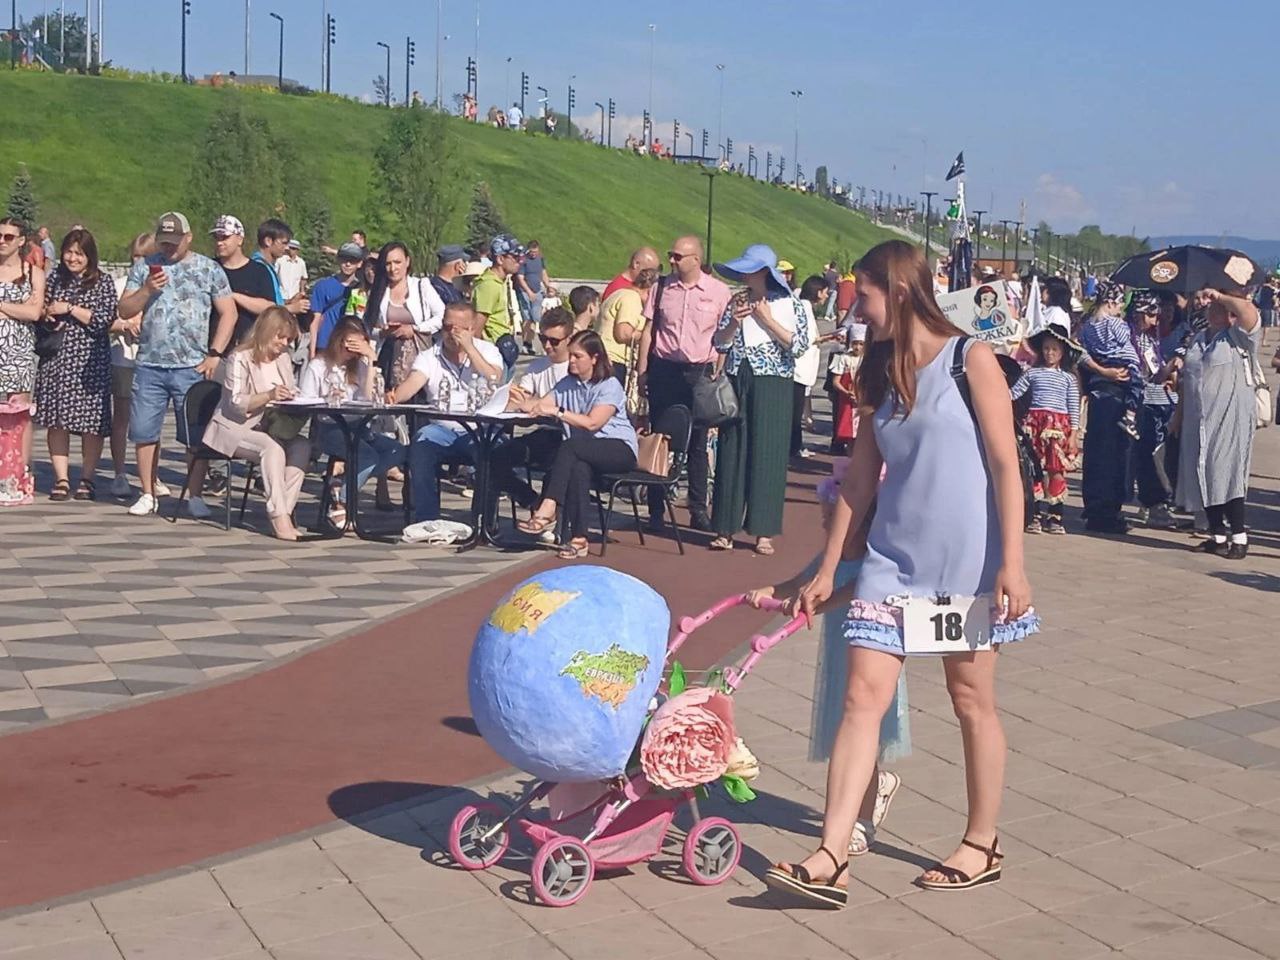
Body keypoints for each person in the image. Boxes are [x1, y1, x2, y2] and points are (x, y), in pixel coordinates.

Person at [765, 240, 1036, 908]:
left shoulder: (970, 360)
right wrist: (830, 567)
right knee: (862, 699)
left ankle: (981, 841)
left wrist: (1013, 564)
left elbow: (1006, 465)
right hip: (891, 562)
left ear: (902, 290)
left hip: (966, 565)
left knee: (970, 699)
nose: (856, 308)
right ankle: (832, 853)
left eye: (866, 294)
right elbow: (860, 480)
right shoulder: (878, 374)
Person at [748, 462, 909, 858]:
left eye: (830, 518)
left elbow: (854, 591)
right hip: (840, 652)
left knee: (863, 731)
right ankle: (868, 796)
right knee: (846, 725)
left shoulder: (875, 560)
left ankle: (863, 819)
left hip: (873, 651)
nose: (826, 526)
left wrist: (818, 605)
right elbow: (801, 581)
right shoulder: (829, 561)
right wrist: (766, 590)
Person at [117, 212, 236, 518]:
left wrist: (215, 353)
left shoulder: (208, 269)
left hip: (191, 364)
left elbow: (228, 313)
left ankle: (194, 494)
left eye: (175, 242)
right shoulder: (145, 267)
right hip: (150, 363)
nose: (169, 248)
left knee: (194, 433)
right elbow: (125, 307)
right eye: (164, 242)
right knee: (144, 430)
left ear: (189, 237)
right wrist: (146, 290)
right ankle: (147, 492)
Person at [707, 245, 809, 555]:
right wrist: (735, 323)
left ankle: (763, 531)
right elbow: (719, 343)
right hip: (739, 378)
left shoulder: (792, 305)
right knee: (732, 447)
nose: (744, 274)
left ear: (765, 271)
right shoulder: (737, 301)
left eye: (749, 269)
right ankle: (724, 527)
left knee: (769, 452)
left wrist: (766, 320)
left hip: (774, 381)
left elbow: (799, 346)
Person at [511, 331, 638, 559]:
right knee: (579, 467)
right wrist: (517, 401)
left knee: (570, 446)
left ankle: (548, 507)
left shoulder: (609, 385)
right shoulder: (567, 384)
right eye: (570, 355)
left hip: (618, 448)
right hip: (584, 452)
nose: (571, 361)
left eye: (577, 356)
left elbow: (592, 423)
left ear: (594, 358)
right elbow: (540, 405)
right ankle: (579, 539)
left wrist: (559, 412)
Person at [636, 235, 733, 531]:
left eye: (678, 256)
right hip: (665, 368)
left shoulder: (718, 291)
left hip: (699, 370)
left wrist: (719, 365)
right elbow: (649, 330)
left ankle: (697, 507)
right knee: (660, 438)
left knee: (698, 442)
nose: (673, 261)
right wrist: (643, 372)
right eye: (672, 255)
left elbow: (725, 334)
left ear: (696, 259)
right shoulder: (662, 287)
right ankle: (655, 507)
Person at [201, 307, 310, 541]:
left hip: (272, 425)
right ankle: (278, 516)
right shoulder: (239, 357)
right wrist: (269, 395)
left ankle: (285, 511)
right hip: (235, 427)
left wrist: (293, 396)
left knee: (302, 447)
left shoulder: (283, 359)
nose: (283, 343)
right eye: (279, 337)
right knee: (272, 449)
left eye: (288, 339)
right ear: (265, 332)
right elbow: (235, 403)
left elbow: (289, 389)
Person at [390, 302, 503, 528]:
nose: (452, 333)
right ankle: (427, 520)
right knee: (420, 445)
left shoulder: (488, 350)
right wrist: (393, 395)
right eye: (447, 326)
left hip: (479, 428)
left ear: (472, 329)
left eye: (459, 328)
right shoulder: (430, 356)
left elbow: (494, 379)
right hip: (441, 428)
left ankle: (483, 521)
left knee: (493, 452)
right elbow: (411, 386)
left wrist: (470, 349)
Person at [1173, 288, 1263, 559]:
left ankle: (1239, 536)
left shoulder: (1238, 338)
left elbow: (1250, 313)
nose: (1210, 308)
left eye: (1217, 306)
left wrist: (1221, 296)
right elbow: (1187, 381)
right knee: (1202, 472)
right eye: (1208, 305)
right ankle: (1217, 535)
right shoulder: (1200, 338)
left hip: (1229, 416)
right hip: (1197, 418)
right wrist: (1177, 416)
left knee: (1226, 472)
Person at [297, 318, 406, 529]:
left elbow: (369, 399)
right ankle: (342, 501)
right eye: (348, 343)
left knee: (397, 451)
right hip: (331, 427)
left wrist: (371, 360)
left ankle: (342, 485)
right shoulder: (318, 366)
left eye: (358, 345)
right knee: (367, 457)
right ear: (338, 340)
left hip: (360, 426)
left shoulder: (361, 366)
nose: (351, 350)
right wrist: (327, 399)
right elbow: (305, 400)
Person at [34, 228, 117, 501]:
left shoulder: (102, 282)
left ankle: (87, 478)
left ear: (89, 256)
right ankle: (61, 478)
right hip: (57, 359)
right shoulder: (55, 277)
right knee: (57, 420)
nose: (72, 258)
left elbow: (105, 319)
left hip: (89, 361)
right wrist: (48, 314)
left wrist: (69, 308)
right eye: (69, 252)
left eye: (79, 254)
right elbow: (43, 309)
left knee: (91, 422)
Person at [487, 308, 574, 526]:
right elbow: (519, 399)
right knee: (493, 458)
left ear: (569, 339)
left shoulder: (575, 366)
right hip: (543, 433)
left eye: (554, 341)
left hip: (570, 438)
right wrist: (518, 400)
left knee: (559, 462)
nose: (547, 346)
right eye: (543, 338)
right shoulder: (537, 366)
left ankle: (548, 517)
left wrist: (534, 403)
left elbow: (562, 405)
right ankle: (532, 502)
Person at [1077, 280, 1141, 533]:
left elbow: (1079, 352)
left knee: (1098, 451)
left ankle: (1098, 508)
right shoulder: (1116, 324)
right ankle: (1106, 510)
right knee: (1113, 453)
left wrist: (1097, 368)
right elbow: (1126, 341)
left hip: (1098, 389)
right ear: (1112, 303)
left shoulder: (1087, 326)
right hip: (1116, 390)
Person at [1010, 321, 1080, 535]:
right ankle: (1034, 515)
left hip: (1058, 428)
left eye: (1055, 349)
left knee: (1056, 470)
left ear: (1063, 353)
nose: (1050, 353)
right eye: (1047, 348)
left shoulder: (1068, 379)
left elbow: (1074, 407)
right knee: (1035, 469)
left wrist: (1074, 434)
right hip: (1034, 425)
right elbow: (1013, 393)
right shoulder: (1032, 373)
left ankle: (1056, 515)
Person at [0, 217, 46, 501]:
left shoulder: (32, 273)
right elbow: (25, 309)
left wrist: (3, 307)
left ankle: (18, 471)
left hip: (18, 352)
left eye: (8, 237)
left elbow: (33, 312)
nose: (2, 241)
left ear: (20, 241)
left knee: (20, 415)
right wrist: (17, 308)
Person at [1128, 291, 1179, 530]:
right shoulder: (1128, 337)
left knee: (1153, 452)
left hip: (1154, 402)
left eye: (1157, 315)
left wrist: (1170, 369)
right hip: (1135, 402)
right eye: (1150, 315)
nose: (1155, 320)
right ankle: (1150, 500)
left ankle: (1153, 501)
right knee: (1142, 455)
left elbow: (1156, 374)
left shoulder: (1150, 339)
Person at [364, 241, 445, 391]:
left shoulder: (422, 286)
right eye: (388, 264)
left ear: (407, 262)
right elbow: (366, 327)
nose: (393, 268)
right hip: (388, 357)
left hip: (418, 356)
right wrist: (383, 332)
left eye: (397, 262)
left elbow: (442, 316)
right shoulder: (378, 291)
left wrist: (415, 328)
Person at [108, 233, 153, 499]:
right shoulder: (119, 284)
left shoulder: (160, 284)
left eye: (144, 258)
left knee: (149, 419)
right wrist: (125, 325)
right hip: (123, 356)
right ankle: (119, 472)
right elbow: (106, 320)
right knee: (122, 417)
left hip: (149, 358)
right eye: (135, 258)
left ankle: (151, 476)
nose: (138, 263)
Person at [1079, 280, 1143, 440]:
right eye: (1118, 303)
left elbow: (1084, 346)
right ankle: (1130, 417)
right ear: (1109, 303)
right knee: (1136, 386)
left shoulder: (1088, 325)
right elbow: (1123, 338)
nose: (1120, 307)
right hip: (1122, 361)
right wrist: (1124, 324)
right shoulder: (1113, 322)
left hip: (1101, 361)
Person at [209, 215, 280, 347]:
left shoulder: (259, 271)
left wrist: (233, 296)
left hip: (248, 347)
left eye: (225, 237)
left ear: (239, 239)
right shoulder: (208, 268)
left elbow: (269, 307)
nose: (219, 243)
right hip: (212, 349)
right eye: (216, 238)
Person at [472, 234, 525, 364]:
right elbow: (477, 326)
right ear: (500, 259)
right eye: (515, 257)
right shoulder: (489, 285)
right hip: (492, 352)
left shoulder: (500, 282)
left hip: (503, 348)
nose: (520, 261)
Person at [599, 268, 658, 384]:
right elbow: (624, 333)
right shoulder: (631, 298)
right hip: (613, 362)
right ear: (650, 290)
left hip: (603, 358)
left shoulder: (620, 293)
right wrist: (648, 335)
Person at [308, 242, 366, 358]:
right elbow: (315, 321)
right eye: (344, 259)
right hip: (325, 344)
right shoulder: (323, 286)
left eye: (353, 260)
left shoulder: (362, 289)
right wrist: (312, 351)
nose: (348, 264)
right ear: (339, 260)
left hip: (351, 347)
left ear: (359, 264)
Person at [791, 275, 826, 459]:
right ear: (818, 292)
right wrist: (827, 338)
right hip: (799, 368)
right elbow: (808, 337)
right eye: (825, 292)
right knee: (795, 412)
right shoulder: (803, 308)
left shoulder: (806, 308)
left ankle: (796, 445)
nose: (826, 297)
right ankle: (794, 447)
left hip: (803, 368)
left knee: (797, 410)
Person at [252, 219, 309, 321]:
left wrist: (290, 301)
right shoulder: (258, 268)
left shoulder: (268, 267)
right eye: (283, 243)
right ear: (268, 241)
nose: (287, 248)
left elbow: (273, 301)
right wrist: (291, 308)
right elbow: (261, 306)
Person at [514, 239, 557, 354]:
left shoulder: (540, 259)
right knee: (527, 318)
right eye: (532, 252)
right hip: (525, 291)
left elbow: (543, 273)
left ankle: (530, 341)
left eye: (536, 252)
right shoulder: (524, 261)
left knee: (535, 318)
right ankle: (526, 343)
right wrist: (528, 292)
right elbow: (520, 278)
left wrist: (548, 285)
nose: (534, 254)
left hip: (537, 291)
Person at [829, 323, 865, 454]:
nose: (857, 347)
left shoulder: (867, 360)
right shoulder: (843, 358)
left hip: (862, 399)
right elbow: (836, 381)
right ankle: (850, 458)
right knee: (849, 432)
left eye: (861, 344)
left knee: (862, 432)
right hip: (847, 400)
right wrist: (847, 392)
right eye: (855, 343)